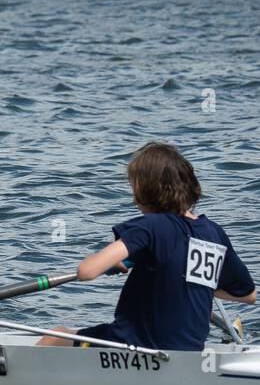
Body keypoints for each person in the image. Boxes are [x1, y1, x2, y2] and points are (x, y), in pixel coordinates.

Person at [38, 142, 255, 351]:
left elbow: (86, 271)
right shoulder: (213, 232)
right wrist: (190, 286)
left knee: (54, 336)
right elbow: (248, 295)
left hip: (134, 345)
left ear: (149, 190)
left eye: (135, 188)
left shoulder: (150, 226)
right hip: (189, 351)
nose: (134, 200)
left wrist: (111, 263)